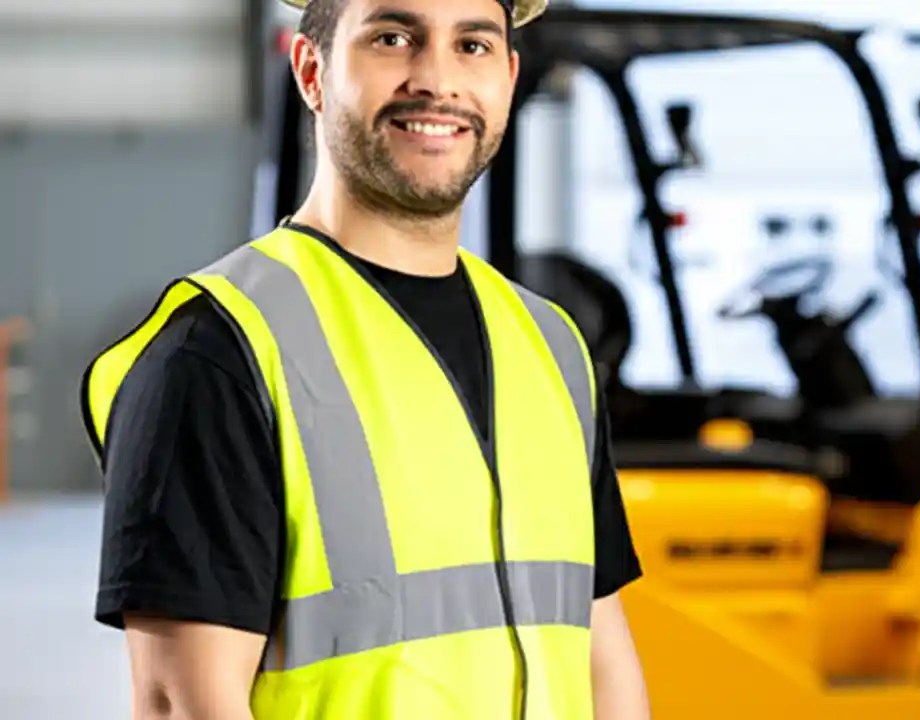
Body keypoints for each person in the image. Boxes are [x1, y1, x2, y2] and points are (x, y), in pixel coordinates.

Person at [78, 0, 651, 717]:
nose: (436, 79)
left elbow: (602, 650)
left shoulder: (552, 344)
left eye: (471, 45)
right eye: (392, 38)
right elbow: (181, 700)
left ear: (507, 77)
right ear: (312, 72)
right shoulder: (218, 350)